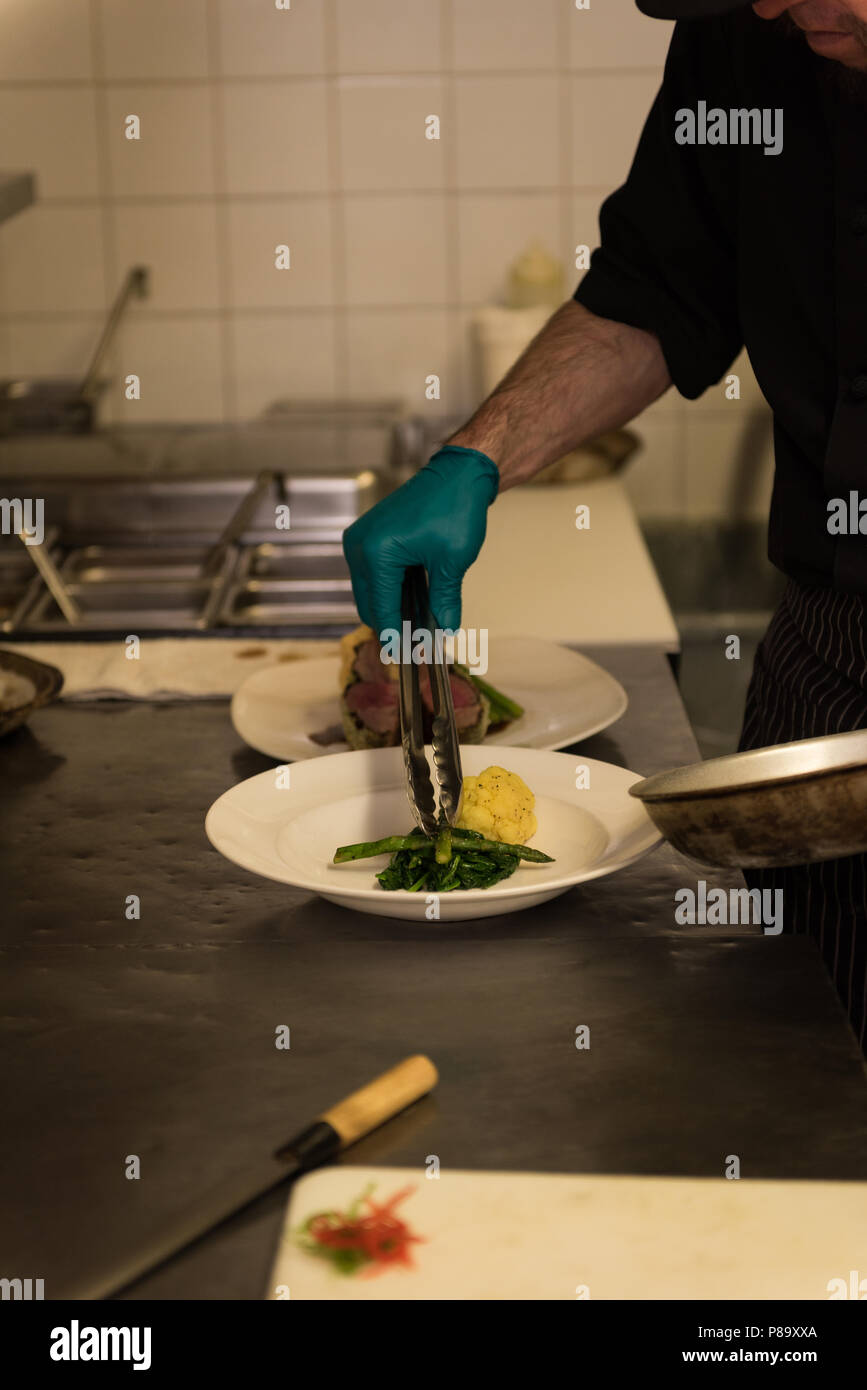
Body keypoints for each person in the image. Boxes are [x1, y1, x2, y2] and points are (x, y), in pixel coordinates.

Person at [343, 0, 867, 1053]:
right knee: (792, 1070)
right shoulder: (746, 37)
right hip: (831, 657)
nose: (772, 6)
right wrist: (477, 457)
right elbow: (656, 290)